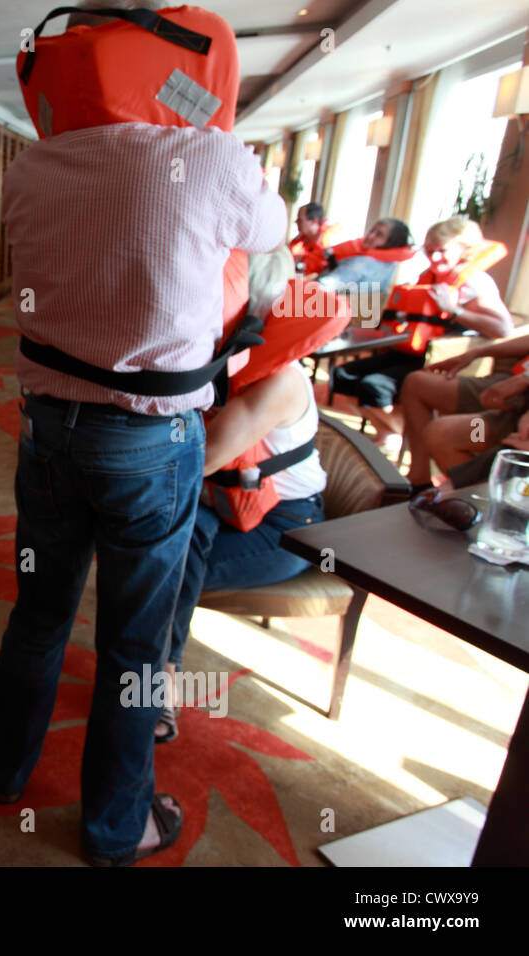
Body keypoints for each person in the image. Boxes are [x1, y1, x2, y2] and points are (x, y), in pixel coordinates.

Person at [0, 0, 286, 866]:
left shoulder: (35, 164)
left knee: (37, 617)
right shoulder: (212, 155)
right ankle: (118, 826)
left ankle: (5, 772)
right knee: (133, 646)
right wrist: (216, 129)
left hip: (47, 436)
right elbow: (268, 235)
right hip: (151, 445)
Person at [157, 248, 341, 742]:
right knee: (176, 535)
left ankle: (162, 686)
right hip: (224, 505)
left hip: (285, 529)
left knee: (158, 568)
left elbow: (201, 461)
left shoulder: (276, 380)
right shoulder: (234, 358)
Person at [330, 217, 513, 445]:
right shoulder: (429, 277)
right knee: (342, 374)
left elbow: (503, 328)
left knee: (374, 386)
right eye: (429, 251)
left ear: (463, 249)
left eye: (442, 250)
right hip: (409, 352)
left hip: (441, 361)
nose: (434, 257)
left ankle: (395, 433)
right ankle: (392, 428)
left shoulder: (475, 282)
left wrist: (453, 309)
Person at [399, 335, 529, 491]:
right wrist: (477, 352)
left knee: (442, 435)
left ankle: (477, 497)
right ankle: (419, 483)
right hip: (511, 388)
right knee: (417, 384)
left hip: (518, 408)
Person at [288, 202, 341, 275]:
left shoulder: (329, 244)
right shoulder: (297, 242)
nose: (296, 222)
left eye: (300, 220)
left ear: (314, 221)